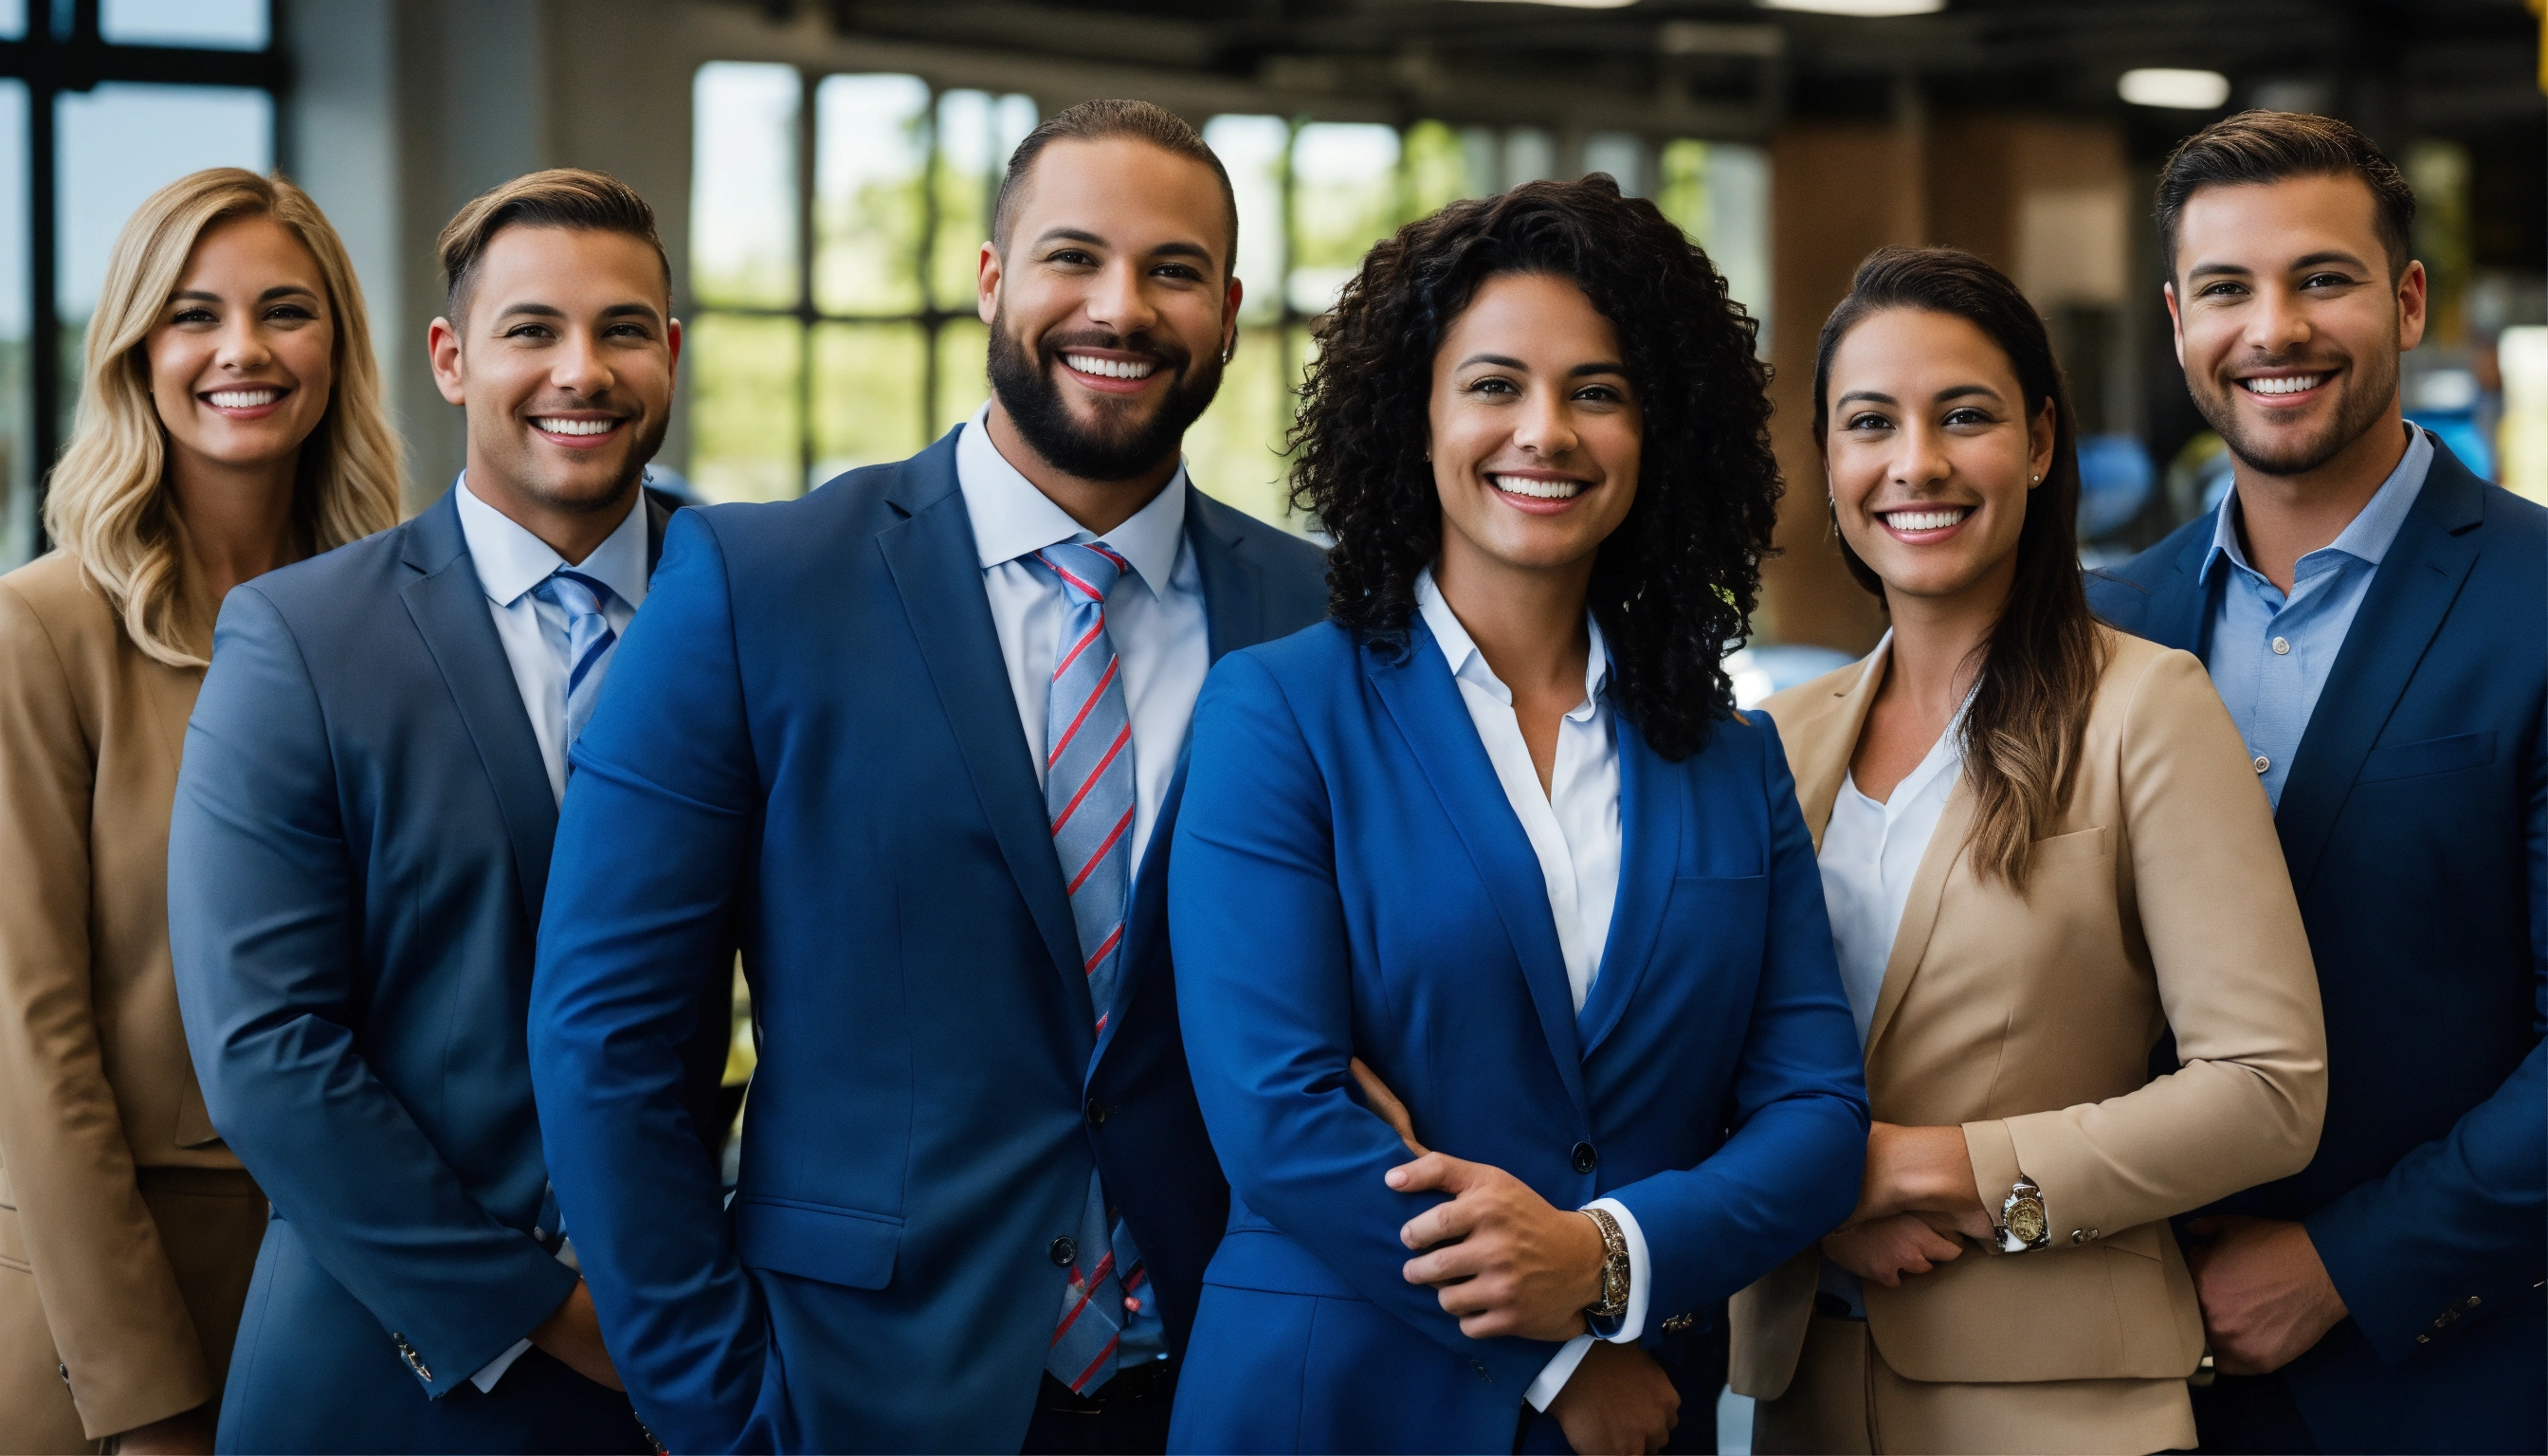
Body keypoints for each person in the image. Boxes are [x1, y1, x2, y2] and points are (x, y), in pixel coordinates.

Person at [524, 100, 1328, 1454]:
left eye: (1174, 271)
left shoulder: (1322, 619)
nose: (1121, 307)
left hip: (1239, 1388)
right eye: (1074, 257)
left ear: (1232, 313)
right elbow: (606, 1033)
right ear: (992, 280)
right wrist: (717, 1407)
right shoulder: (757, 587)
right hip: (855, 1394)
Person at [1164, 176, 1871, 1456]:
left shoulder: (1732, 760)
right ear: (1416, 416)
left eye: (1596, 392)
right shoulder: (1278, 713)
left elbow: (1816, 1119)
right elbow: (1278, 1113)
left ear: (1658, 429)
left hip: (1643, 1412)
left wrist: (1606, 1263)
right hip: (1335, 1403)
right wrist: (1554, 1356)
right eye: (1494, 385)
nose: (1545, 432)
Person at [1728, 245, 2329, 1455]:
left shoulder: (2146, 707)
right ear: (1830, 461)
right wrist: (1812, 1200)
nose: (1917, 462)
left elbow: (2267, 1089)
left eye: (1965, 416)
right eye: (1870, 423)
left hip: (2061, 1404)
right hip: (1797, 1397)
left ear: (2042, 442)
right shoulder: (1772, 744)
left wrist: (1929, 1169)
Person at [168, 169, 726, 1454]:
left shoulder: (757, 607)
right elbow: (265, 1047)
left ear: (670, 352)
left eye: (623, 330)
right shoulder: (300, 638)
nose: (581, 371)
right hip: (381, 1379)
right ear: (451, 358)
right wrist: (548, 1313)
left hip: (696, 1369)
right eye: (533, 330)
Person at [2088, 112, 2545, 1455]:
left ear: (2408, 302)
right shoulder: (2102, 624)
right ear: (2179, 321)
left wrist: (2346, 1265)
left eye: (2323, 279)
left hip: (2453, 1384)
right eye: (2227, 289)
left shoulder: (2537, 602)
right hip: (2128, 1379)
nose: (2273, 329)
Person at [0, 169, 400, 1456]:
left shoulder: (397, 626)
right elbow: (29, 1044)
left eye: (286, 310)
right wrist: (150, 1402)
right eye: (193, 315)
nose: (243, 350)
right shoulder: (38, 633)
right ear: (136, 351)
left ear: (337, 346)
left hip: (373, 1303)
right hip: (119, 1321)